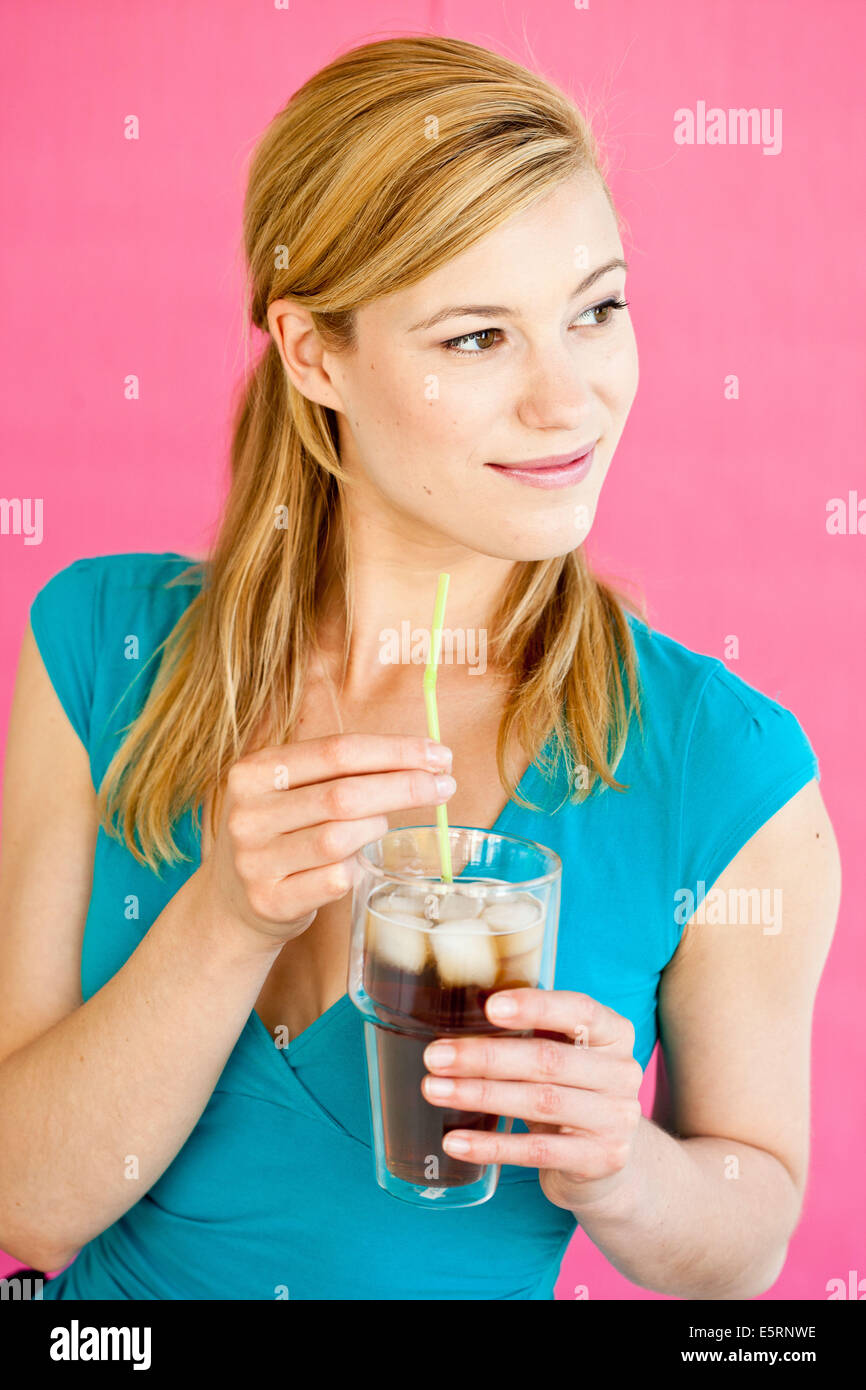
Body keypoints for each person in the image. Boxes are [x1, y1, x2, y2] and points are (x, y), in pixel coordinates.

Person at [0, 35, 840, 1301]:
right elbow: (32, 1210)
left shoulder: (727, 769)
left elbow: (751, 1234)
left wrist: (624, 1169)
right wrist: (224, 919)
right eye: (474, 339)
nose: (571, 401)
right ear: (314, 355)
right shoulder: (98, 645)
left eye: (595, 309)